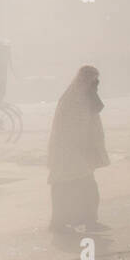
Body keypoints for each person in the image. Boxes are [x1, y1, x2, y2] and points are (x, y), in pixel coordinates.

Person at [47, 65, 109, 233]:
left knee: (80, 187)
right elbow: (73, 128)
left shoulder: (85, 95)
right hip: (68, 152)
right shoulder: (75, 98)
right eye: (94, 80)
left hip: (77, 152)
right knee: (73, 187)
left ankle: (82, 221)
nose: (97, 84)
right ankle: (64, 223)